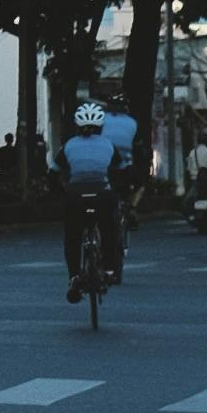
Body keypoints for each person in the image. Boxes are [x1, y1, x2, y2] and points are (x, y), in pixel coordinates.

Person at [61, 96, 127, 301]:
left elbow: (54, 171)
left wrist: (60, 190)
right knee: (110, 230)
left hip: (75, 196)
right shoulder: (108, 145)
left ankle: (73, 276)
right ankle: (108, 270)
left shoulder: (69, 146)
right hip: (102, 194)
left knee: (72, 237)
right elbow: (121, 171)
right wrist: (122, 191)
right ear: (100, 126)